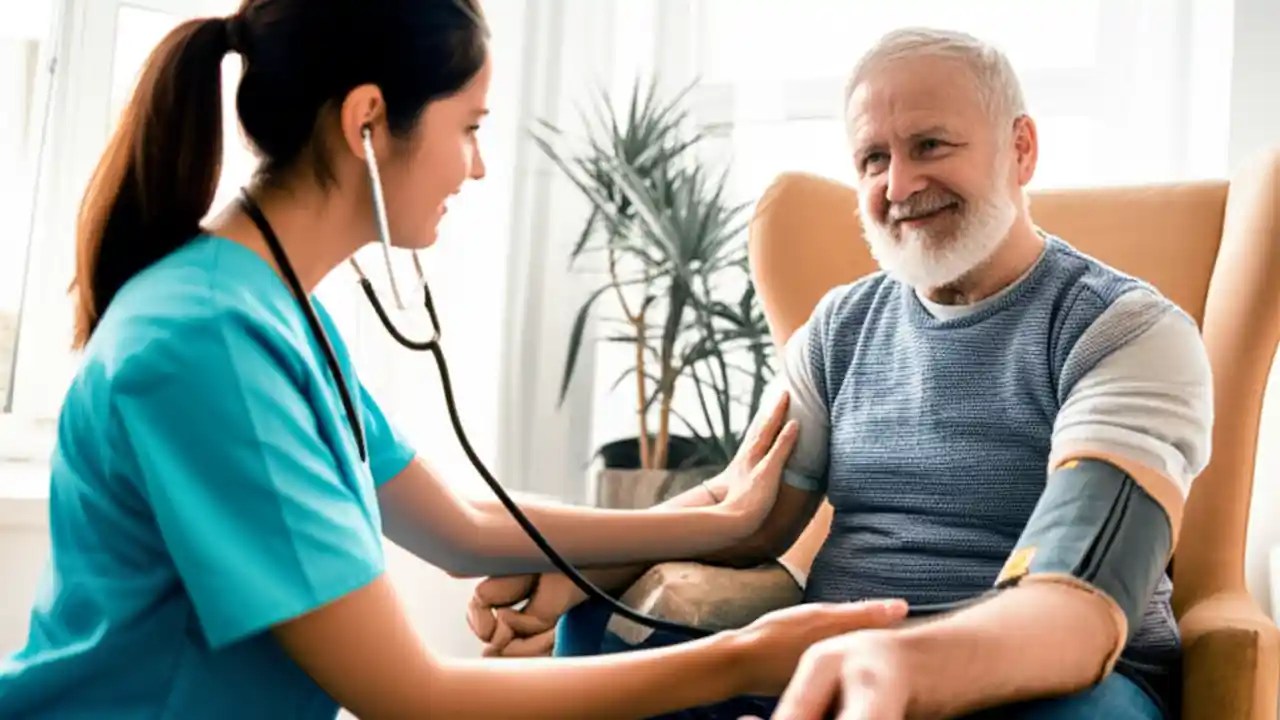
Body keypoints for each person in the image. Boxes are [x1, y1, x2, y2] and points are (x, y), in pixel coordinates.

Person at [0, 2, 918, 718]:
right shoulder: (207, 345)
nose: (475, 167)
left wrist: (714, 522)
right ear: (368, 123)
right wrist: (744, 658)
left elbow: (461, 528)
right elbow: (411, 697)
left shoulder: (267, 310)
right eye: (469, 127)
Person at [467, 27, 1214, 720]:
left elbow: (1076, 608)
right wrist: (578, 568)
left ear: (1021, 148)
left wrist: (893, 667)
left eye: (930, 145)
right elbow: (747, 513)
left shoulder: (1124, 332)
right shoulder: (841, 328)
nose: (899, 184)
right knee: (599, 627)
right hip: (831, 668)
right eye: (873, 159)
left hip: (1050, 683)